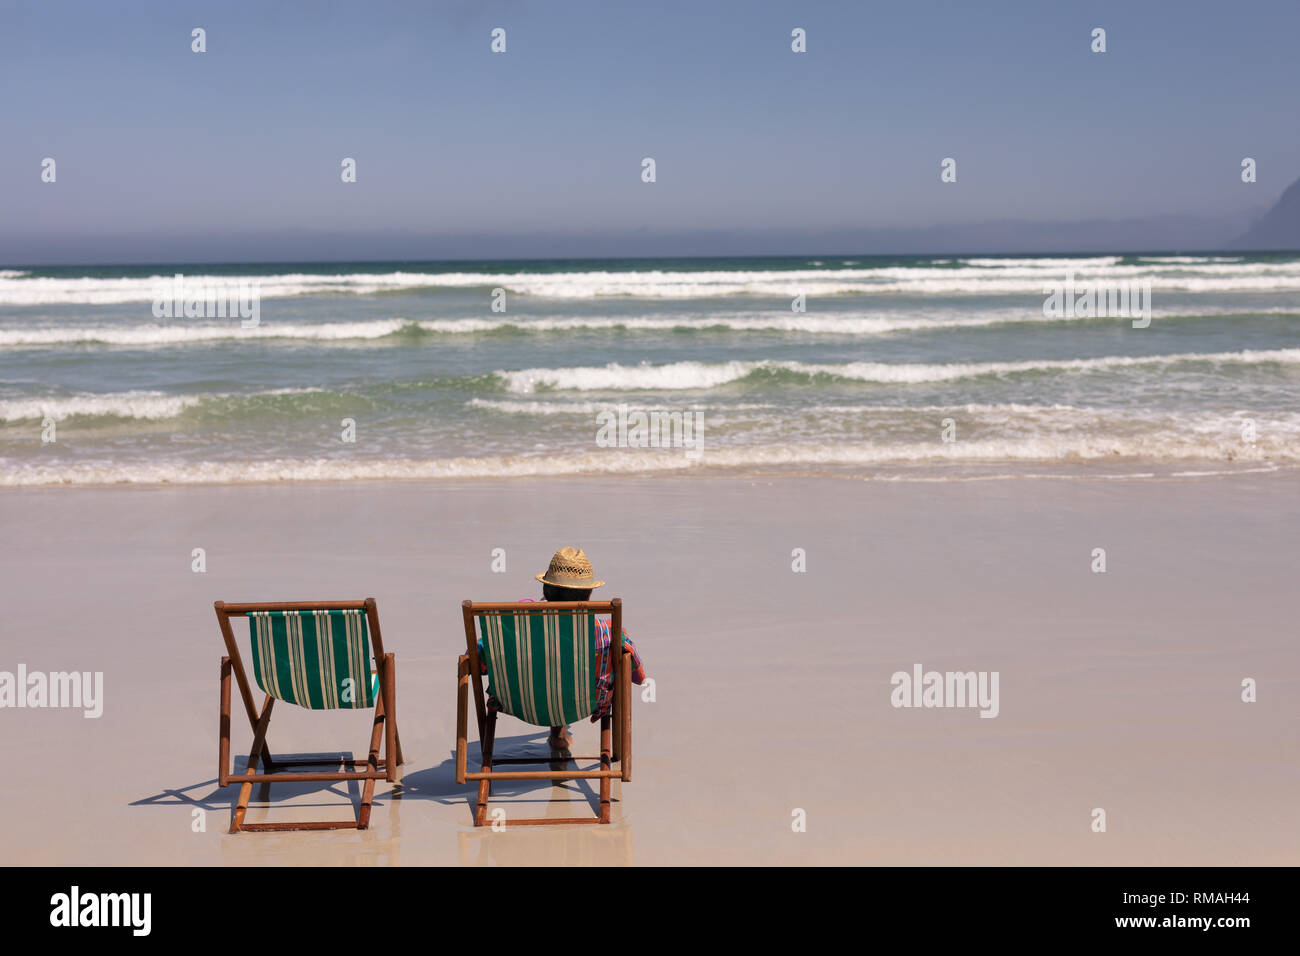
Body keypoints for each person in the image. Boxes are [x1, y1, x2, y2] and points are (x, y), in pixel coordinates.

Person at [479, 546, 645, 753]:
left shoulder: (508, 632)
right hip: (584, 704)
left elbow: (478, 662)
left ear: (546, 591)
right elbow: (636, 673)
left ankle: (557, 732)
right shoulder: (608, 632)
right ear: (588, 595)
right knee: (566, 667)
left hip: (519, 703)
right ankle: (565, 734)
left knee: (547, 662)